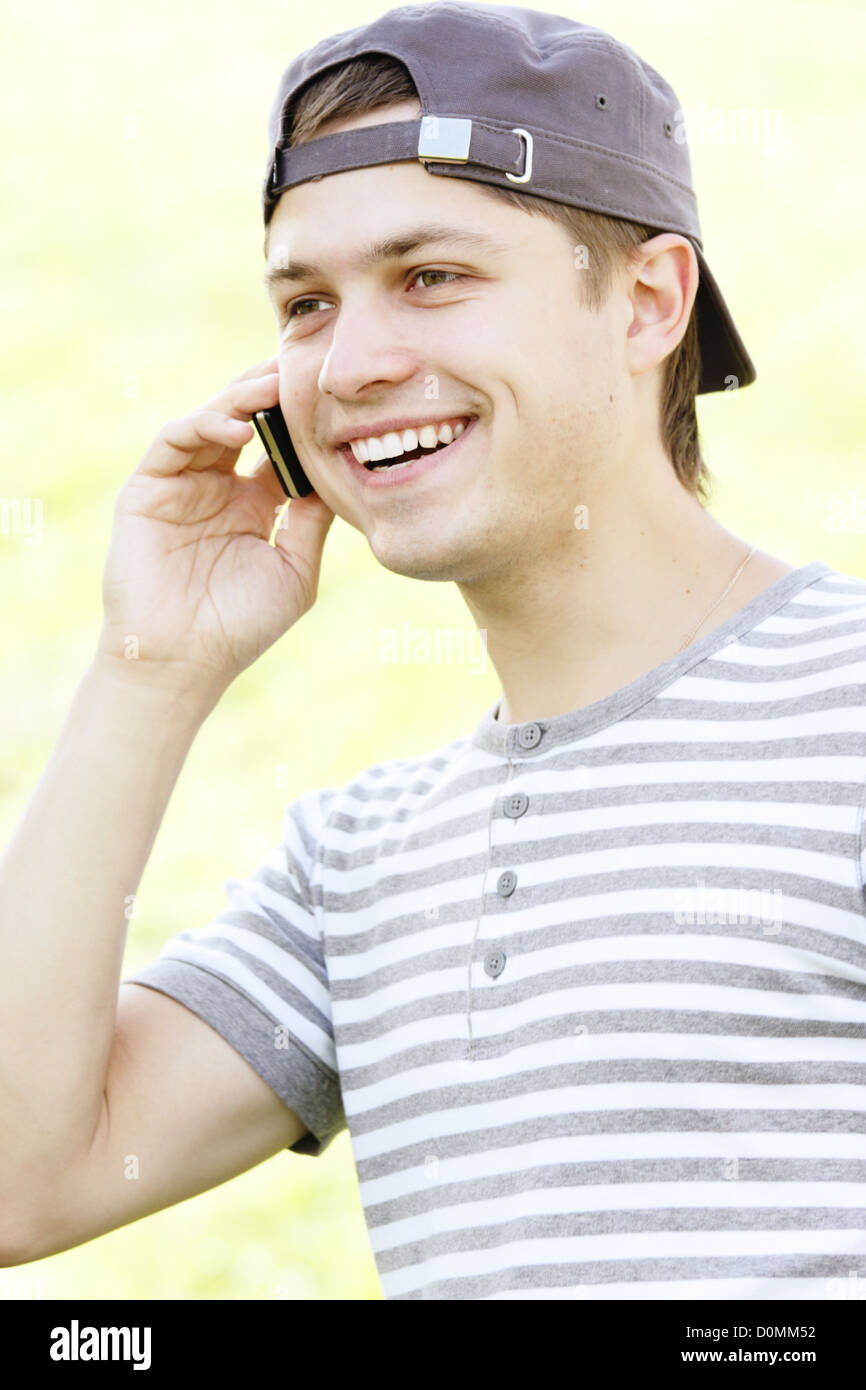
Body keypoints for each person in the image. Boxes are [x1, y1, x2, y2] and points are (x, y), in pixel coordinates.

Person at [2, 3, 864, 1300]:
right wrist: (148, 668)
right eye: (304, 303)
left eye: (430, 276)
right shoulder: (352, 865)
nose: (351, 363)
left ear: (645, 302)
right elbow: (24, 1176)